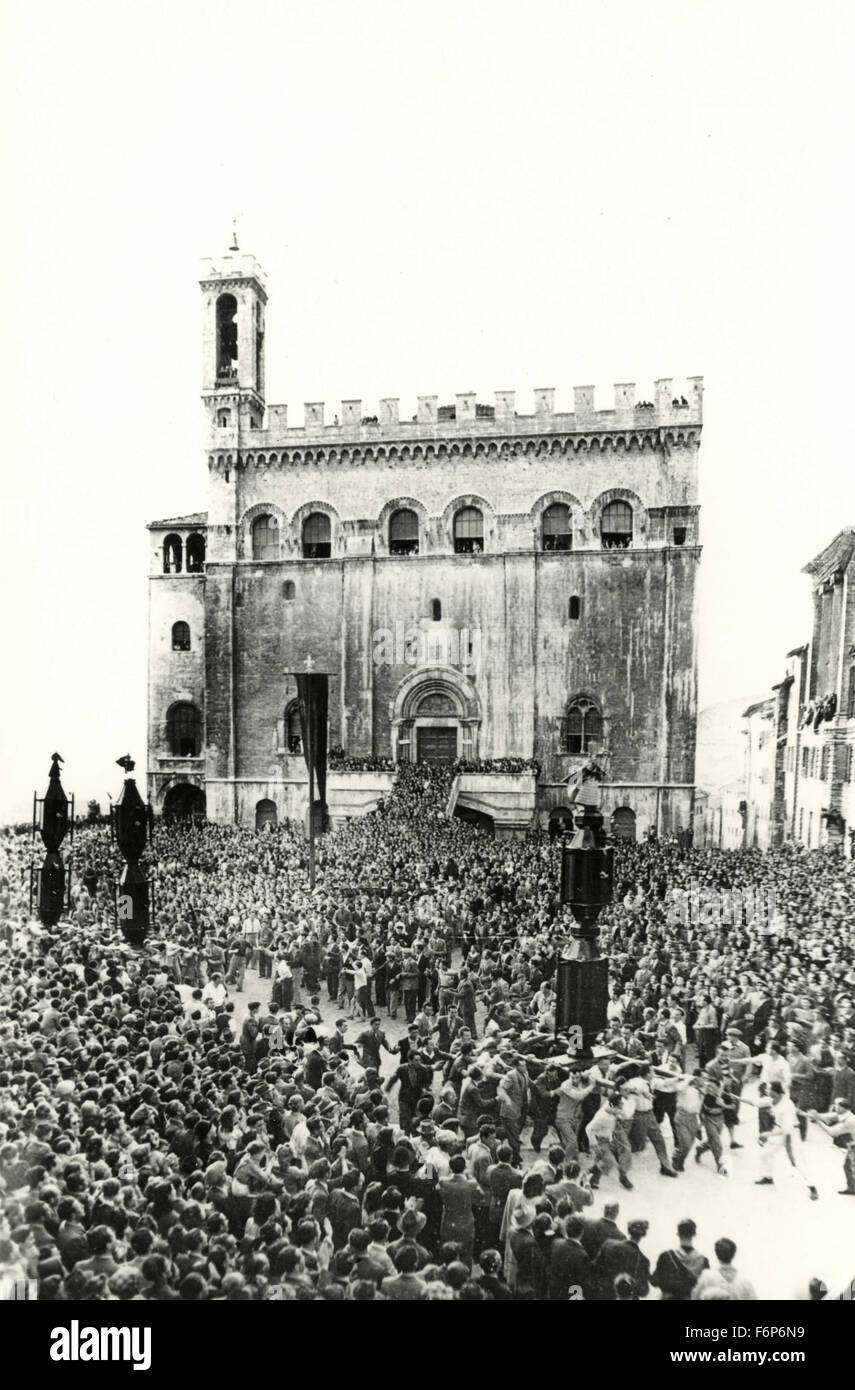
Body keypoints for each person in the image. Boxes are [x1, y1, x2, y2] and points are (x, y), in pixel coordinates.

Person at [755, 1081, 818, 1199]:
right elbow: (755, 1103)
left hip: (791, 1133)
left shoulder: (786, 1105)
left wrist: (768, 1133)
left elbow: (787, 1130)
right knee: (765, 1153)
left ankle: (812, 1187)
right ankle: (767, 1177)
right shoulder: (773, 1099)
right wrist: (733, 1097)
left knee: (798, 1161)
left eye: (769, 1089)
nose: (766, 1091)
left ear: (775, 1092)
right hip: (779, 1130)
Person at [650, 1219, 710, 1301]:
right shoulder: (703, 1260)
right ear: (694, 1234)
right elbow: (706, 1287)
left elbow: (654, 1281)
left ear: (678, 1234)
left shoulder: (666, 1256)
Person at [807, 1098, 855, 1195]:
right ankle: (852, 1187)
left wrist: (818, 1121)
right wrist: (817, 1115)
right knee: (848, 1166)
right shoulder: (846, 1115)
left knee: (850, 1166)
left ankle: (852, 1188)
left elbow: (832, 1132)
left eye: (837, 1105)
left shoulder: (849, 1121)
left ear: (843, 1108)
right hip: (852, 1145)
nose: (835, 1107)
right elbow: (832, 1116)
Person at [691, 1238, 757, 1301]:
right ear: (733, 1255)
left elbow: (694, 1297)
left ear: (717, 1255)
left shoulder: (706, 1277)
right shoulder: (745, 1282)